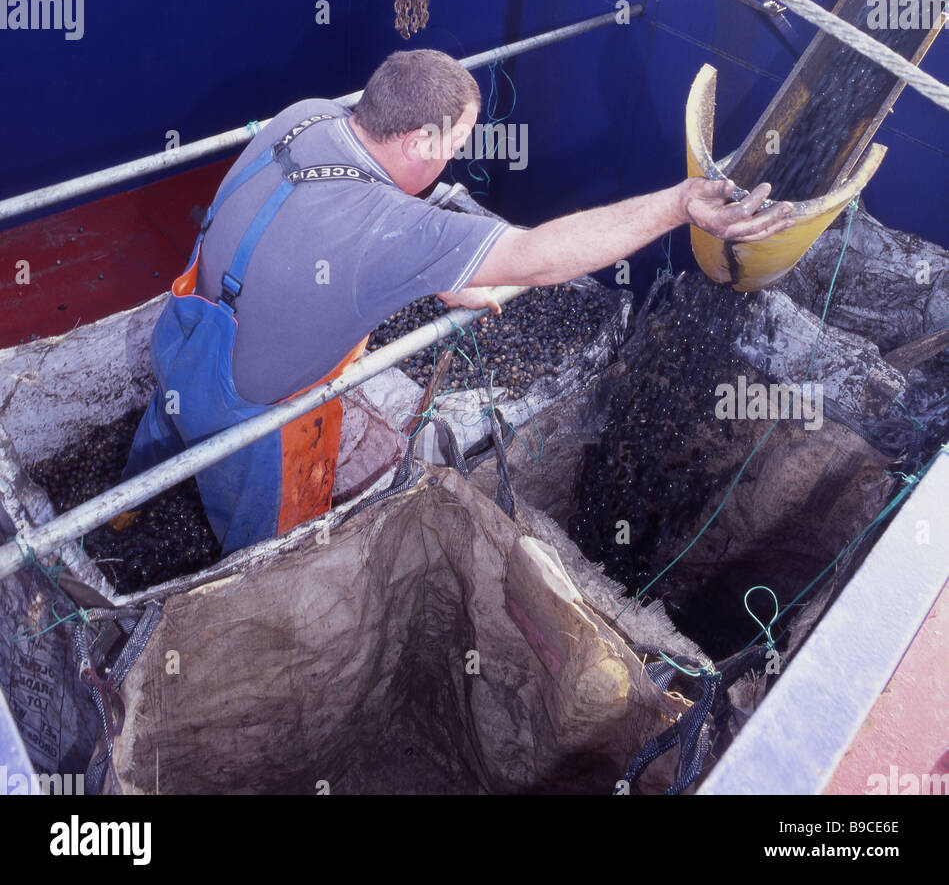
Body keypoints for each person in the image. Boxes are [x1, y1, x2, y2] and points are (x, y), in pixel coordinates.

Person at [124, 49, 795, 554]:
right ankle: (255, 602)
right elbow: (537, 256)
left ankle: (123, 510)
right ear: (418, 140)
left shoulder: (306, 117)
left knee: (163, 433)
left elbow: (311, 235)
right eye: (455, 142)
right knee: (270, 551)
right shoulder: (387, 228)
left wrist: (436, 272)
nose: (458, 156)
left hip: (185, 334)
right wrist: (677, 204)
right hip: (248, 412)